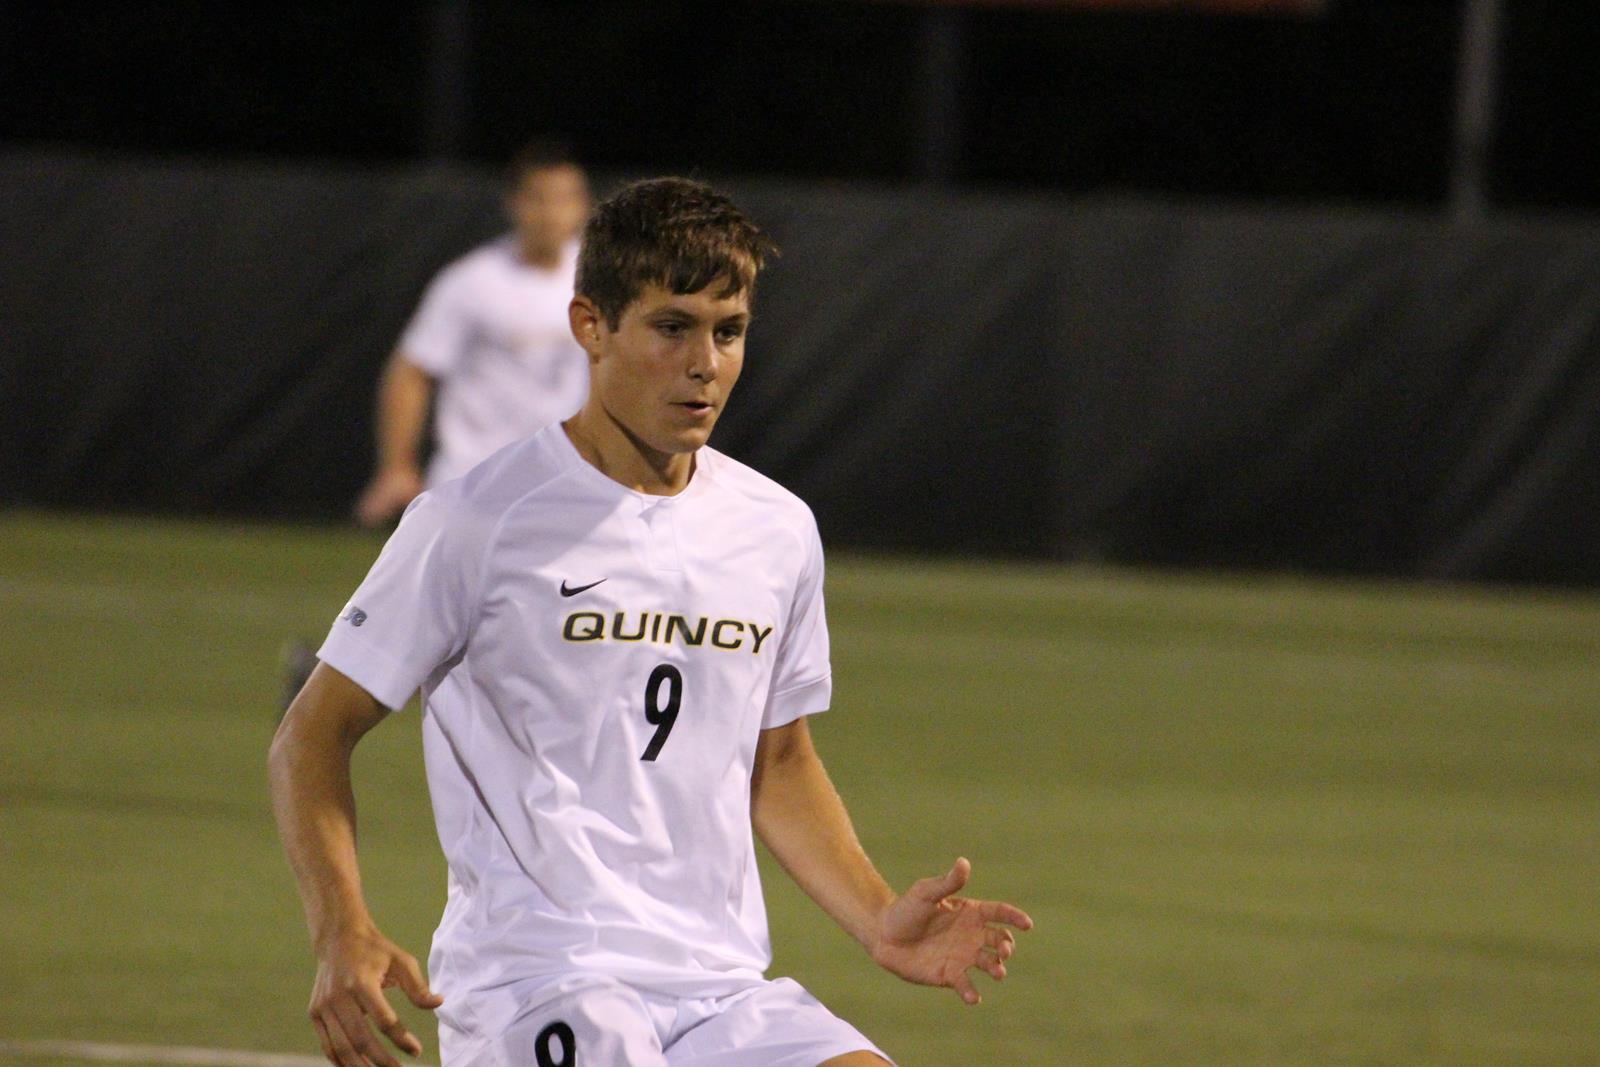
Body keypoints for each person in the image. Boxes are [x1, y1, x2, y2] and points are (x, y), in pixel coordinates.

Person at [269, 177, 1032, 1067]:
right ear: (591, 325)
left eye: (728, 331)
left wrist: (878, 918)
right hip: (538, 983)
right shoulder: (475, 520)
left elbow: (779, 761)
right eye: (673, 327)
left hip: (723, 990)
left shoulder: (776, 528)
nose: (705, 362)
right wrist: (341, 927)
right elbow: (311, 734)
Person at [353, 140, 592, 529]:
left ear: (584, 206)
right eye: (539, 198)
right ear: (514, 204)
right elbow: (412, 370)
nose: (551, 212)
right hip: (472, 484)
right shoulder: (471, 281)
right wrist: (397, 467)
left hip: (563, 484)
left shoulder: (600, 283)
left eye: (565, 198)